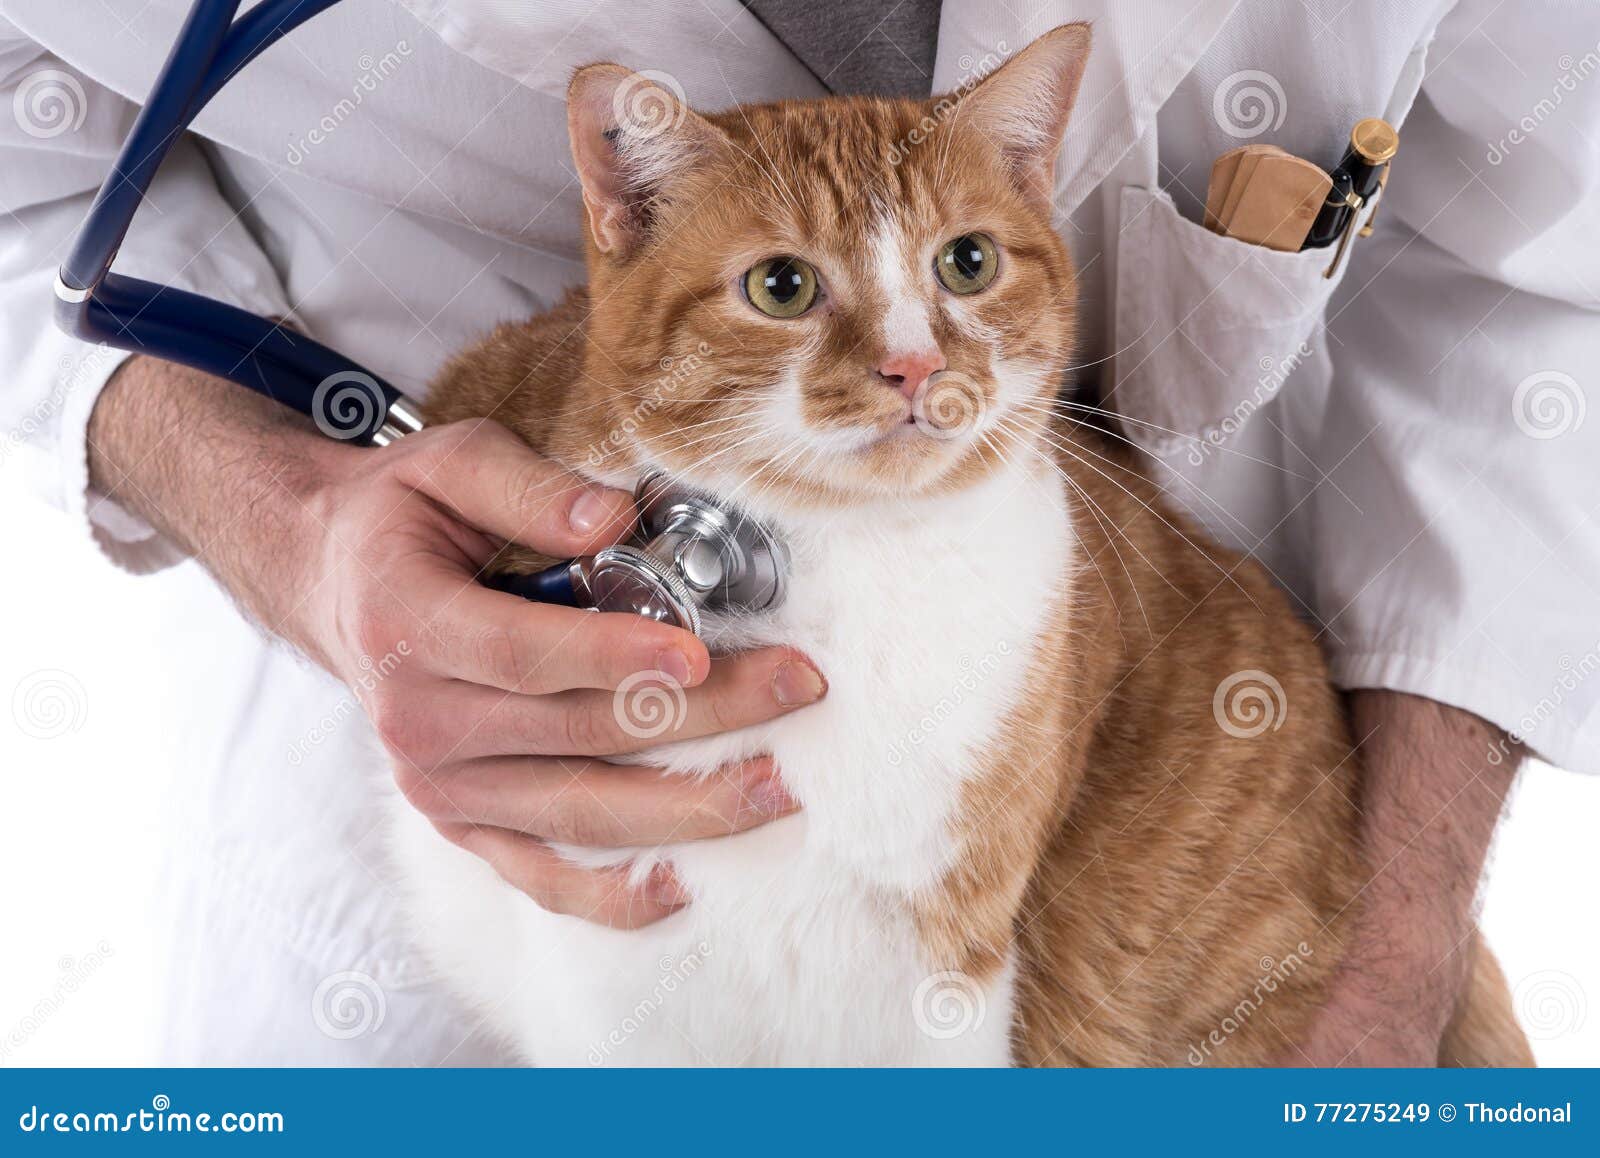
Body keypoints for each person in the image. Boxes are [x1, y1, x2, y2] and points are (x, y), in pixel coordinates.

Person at [1, 0, 1594, 1065]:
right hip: (437, 702)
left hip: (1231, 785)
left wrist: (1388, 954)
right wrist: (297, 526)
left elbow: (1536, 255)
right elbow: (29, 174)